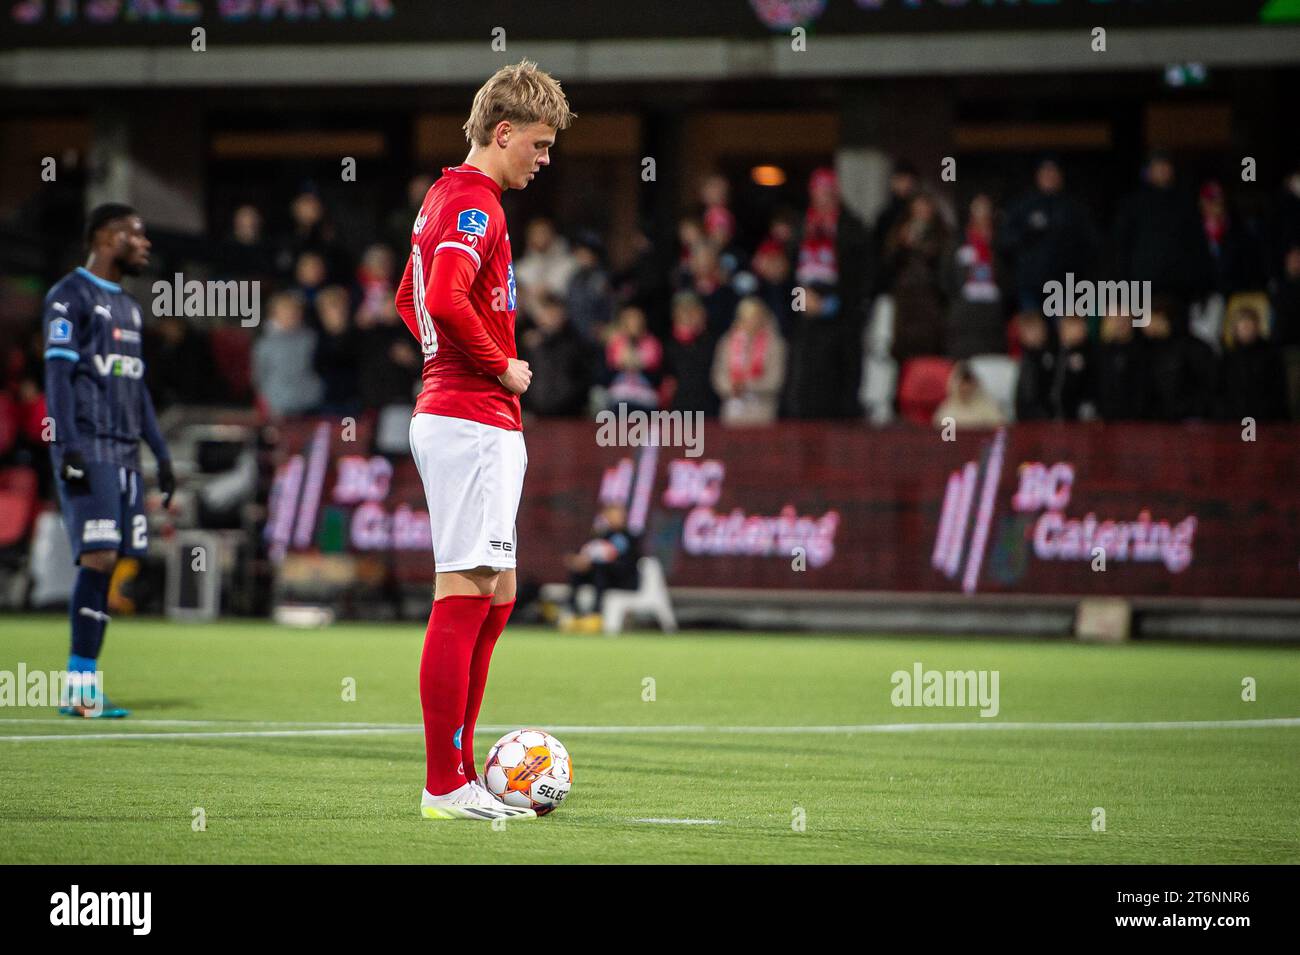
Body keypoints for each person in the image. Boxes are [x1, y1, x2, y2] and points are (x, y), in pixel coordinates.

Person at [393, 59, 573, 822]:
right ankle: (442, 784)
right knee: (464, 589)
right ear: (502, 133)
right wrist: (496, 362)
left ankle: (462, 770)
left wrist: (443, 355)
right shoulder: (476, 202)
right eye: (537, 143)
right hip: (470, 417)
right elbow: (438, 296)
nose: (544, 157)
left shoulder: (447, 194)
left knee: (496, 591)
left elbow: (409, 298)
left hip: (465, 414)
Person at [42, 203, 175, 719]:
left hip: (123, 451)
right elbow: (56, 377)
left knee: (116, 560)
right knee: (97, 557)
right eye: (135, 235)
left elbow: (135, 386)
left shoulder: (129, 308)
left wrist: (160, 454)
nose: (144, 244)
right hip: (87, 445)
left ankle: (83, 684)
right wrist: (66, 444)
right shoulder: (67, 296)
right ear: (105, 237)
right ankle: (79, 688)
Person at [559, 502, 641, 633]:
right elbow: (587, 552)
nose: (615, 518)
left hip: (624, 579)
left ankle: (595, 614)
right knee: (578, 572)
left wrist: (603, 561)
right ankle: (573, 612)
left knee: (599, 569)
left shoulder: (631, 536)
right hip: (602, 576)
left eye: (618, 515)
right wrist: (580, 561)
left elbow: (628, 561)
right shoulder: (601, 535)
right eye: (611, 515)